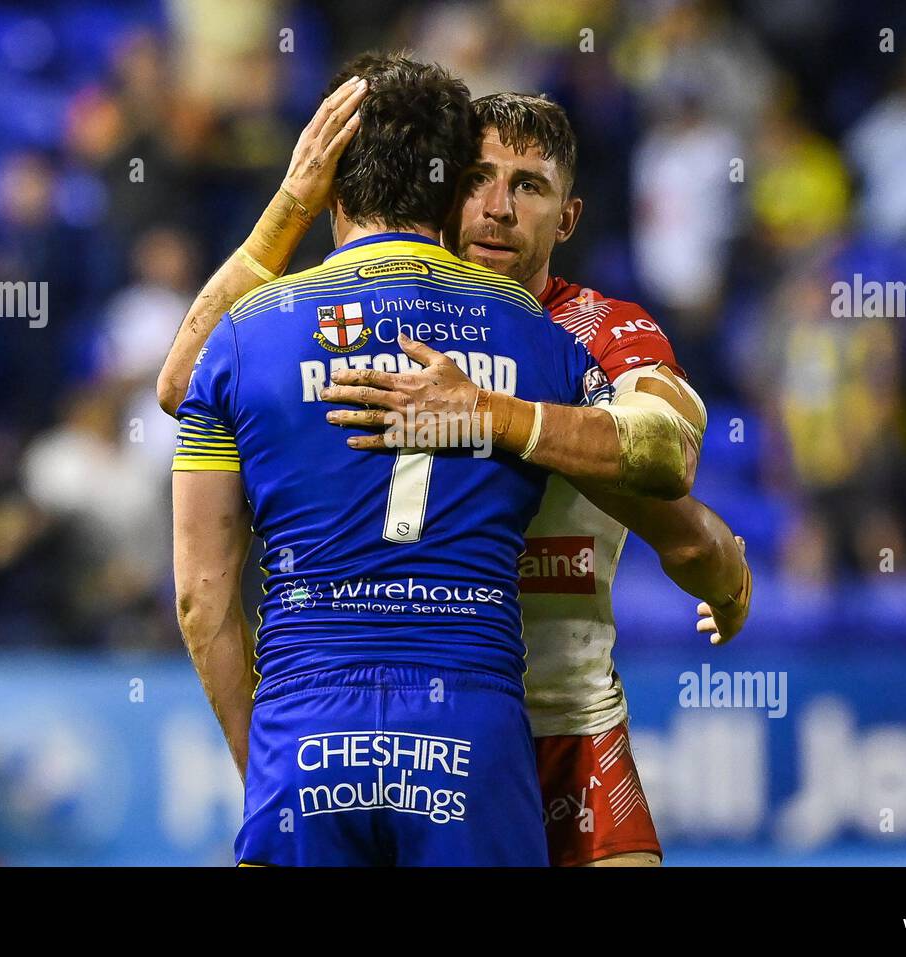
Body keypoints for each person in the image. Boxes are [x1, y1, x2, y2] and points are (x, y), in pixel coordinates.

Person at [162, 69, 747, 865]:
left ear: (569, 216)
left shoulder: (594, 332)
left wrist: (485, 411)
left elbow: (669, 454)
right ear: (437, 191)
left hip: (566, 726)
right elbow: (182, 383)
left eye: (528, 187)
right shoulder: (521, 343)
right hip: (476, 718)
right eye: (475, 180)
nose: (498, 208)